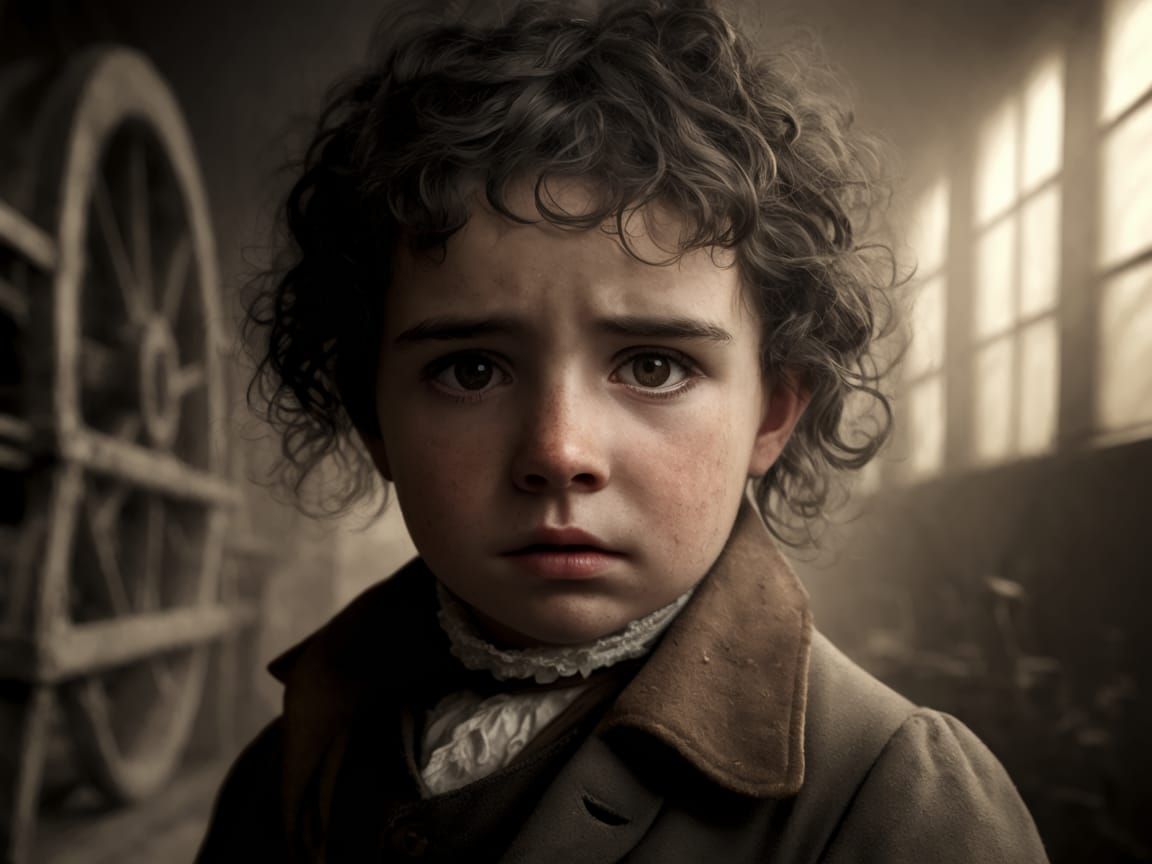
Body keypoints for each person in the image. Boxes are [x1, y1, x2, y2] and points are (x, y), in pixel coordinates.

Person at [198, 0, 1050, 861]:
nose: (559, 452)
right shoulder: (289, 766)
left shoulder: (899, 807)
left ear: (774, 410)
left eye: (653, 367)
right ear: (371, 413)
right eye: (471, 369)